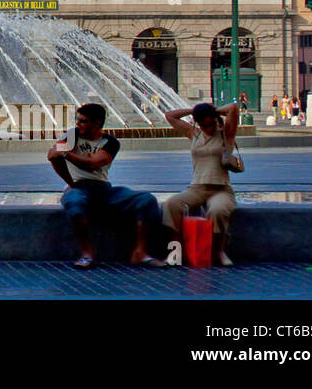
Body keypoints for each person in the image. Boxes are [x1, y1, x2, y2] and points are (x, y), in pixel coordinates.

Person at [48, 102, 165, 269]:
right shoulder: (72, 135)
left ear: (96, 124)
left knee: (146, 200)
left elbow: (93, 164)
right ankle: (87, 253)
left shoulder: (110, 142)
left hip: (103, 189)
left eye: (83, 121)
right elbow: (53, 156)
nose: (78, 124)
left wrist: (66, 153)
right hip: (79, 188)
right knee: (75, 203)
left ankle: (139, 252)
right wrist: (71, 183)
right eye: (77, 119)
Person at [163, 102, 240, 267]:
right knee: (171, 204)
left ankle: (219, 251)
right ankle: (176, 251)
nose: (208, 128)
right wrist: (195, 110)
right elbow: (170, 115)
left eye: (211, 124)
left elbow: (233, 108)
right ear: (197, 123)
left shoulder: (226, 135)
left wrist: (211, 110)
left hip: (221, 189)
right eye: (203, 125)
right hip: (197, 188)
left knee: (218, 210)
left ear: (216, 120)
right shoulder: (194, 134)